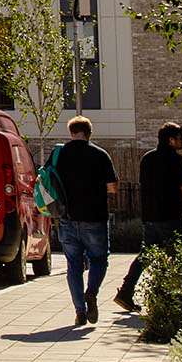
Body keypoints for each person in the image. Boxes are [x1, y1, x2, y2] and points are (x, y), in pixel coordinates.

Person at [114, 122, 182, 313]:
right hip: (171, 216)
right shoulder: (176, 161)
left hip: (150, 217)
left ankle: (126, 290)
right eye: (180, 139)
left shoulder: (147, 159)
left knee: (145, 255)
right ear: (171, 140)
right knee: (176, 256)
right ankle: (170, 297)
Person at [53, 115, 119, 326]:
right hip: (94, 217)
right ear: (90, 133)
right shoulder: (100, 154)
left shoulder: (60, 154)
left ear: (71, 133)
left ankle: (79, 310)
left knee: (73, 264)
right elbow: (113, 187)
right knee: (99, 258)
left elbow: (47, 182)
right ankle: (91, 292)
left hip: (67, 217)